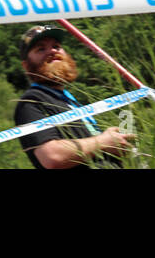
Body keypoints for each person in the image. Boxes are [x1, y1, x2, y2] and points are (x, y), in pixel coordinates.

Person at [13, 25, 135, 169]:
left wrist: (115, 146)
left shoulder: (70, 101)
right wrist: (103, 141)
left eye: (56, 46)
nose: (52, 51)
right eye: (41, 49)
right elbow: (52, 156)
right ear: (26, 66)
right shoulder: (31, 102)